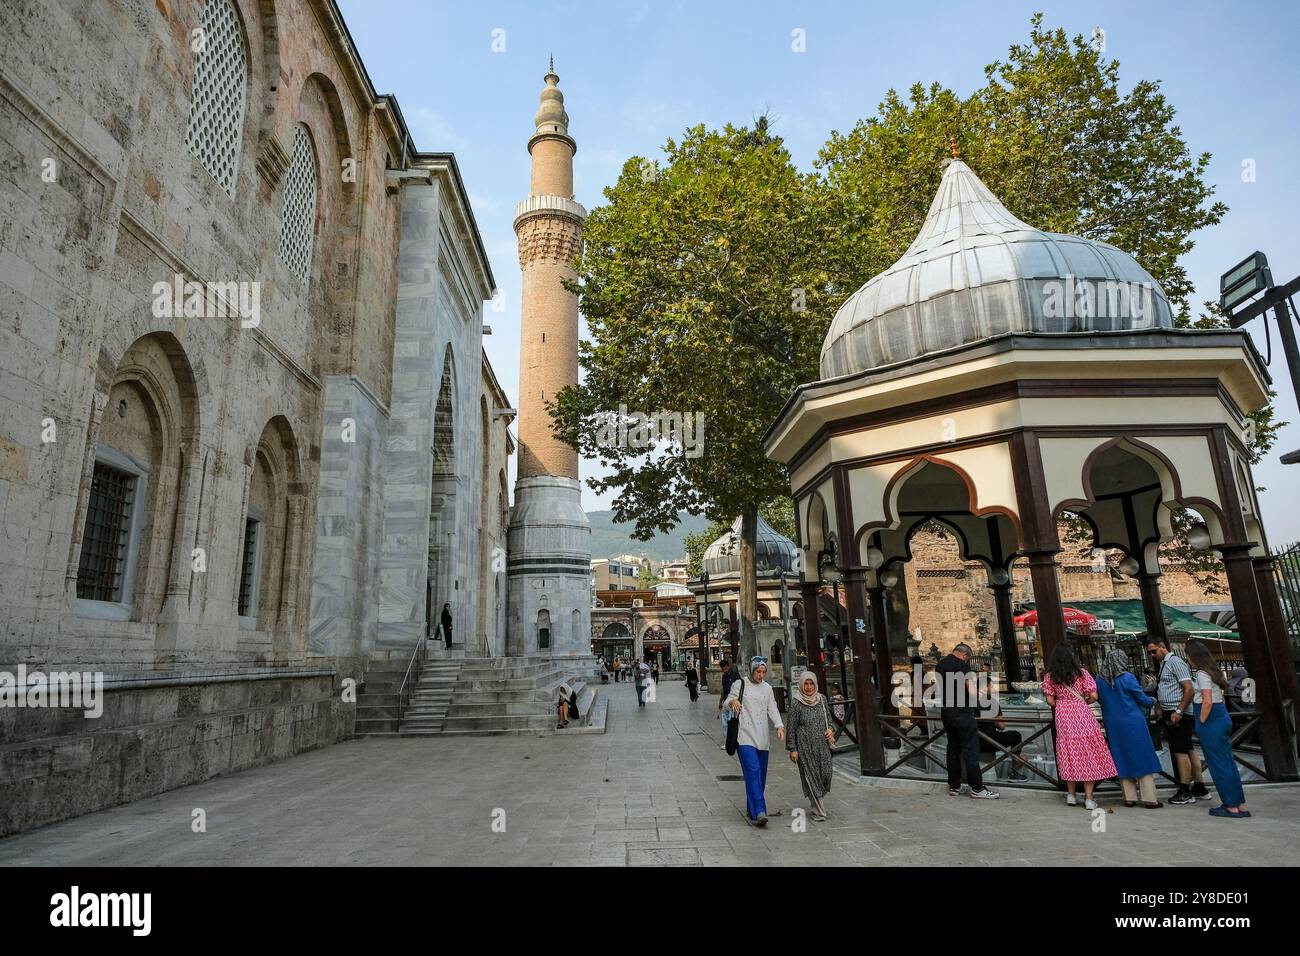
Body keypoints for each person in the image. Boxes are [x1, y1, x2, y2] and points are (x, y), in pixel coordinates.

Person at [1041, 644, 1116, 810]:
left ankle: (1071, 795)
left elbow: (1049, 701)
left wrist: (1062, 702)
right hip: (1082, 713)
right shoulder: (1082, 673)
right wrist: (1082, 702)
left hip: (1063, 715)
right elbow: (1094, 696)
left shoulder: (1050, 676)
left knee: (1069, 752)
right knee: (1087, 752)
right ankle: (1089, 798)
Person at [1186, 641, 1250, 819]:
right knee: (1228, 762)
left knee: (1218, 765)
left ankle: (1230, 805)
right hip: (1221, 716)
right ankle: (1239, 803)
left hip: (1210, 718)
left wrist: (1201, 722)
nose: (1188, 659)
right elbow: (1219, 698)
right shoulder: (1216, 672)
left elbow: (1206, 701)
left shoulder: (1201, 674)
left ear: (1195, 657)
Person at [1146, 638, 1211, 805]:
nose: (1152, 655)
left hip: (1178, 713)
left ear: (1163, 647)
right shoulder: (1165, 664)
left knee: (1179, 751)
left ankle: (1184, 789)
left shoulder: (1175, 662)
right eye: (1149, 653)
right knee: (1188, 749)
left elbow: (1188, 688)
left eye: (1154, 651)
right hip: (1172, 711)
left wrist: (1179, 710)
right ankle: (1199, 786)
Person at [1095, 650, 1163, 809]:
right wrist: (1153, 700)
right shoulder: (1127, 678)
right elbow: (1142, 700)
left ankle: (1129, 797)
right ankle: (1149, 798)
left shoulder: (1099, 680)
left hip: (1113, 724)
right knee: (1142, 756)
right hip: (1133, 722)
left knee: (1121, 756)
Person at [726, 657, 786, 826]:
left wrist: (779, 725)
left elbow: (772, 708)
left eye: (763, 672)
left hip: (762, 736)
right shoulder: (740, 685)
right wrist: (733, 701)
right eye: (758, 672)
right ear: (751, 671)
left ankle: (751, 807)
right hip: (744, 736)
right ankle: (760, 811)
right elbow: (726, 702)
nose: (761, 675)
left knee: (760, 776)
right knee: (753, 770)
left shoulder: (767, 688)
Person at [936, 644, 999, 799]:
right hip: (962, 712)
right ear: (964, 655)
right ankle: (977, 788)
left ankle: (954, 786)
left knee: (952, 748)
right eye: (968, 658)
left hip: (947, 711)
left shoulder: (940, 665)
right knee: (970, 749)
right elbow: (971, 692)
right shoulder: (963, 667)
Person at [786, 673, 836, 821]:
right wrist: (793, 749)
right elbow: (791, 727)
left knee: (826, 774)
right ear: (801, 685)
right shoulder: (796, 703)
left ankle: (817, 799)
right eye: (806, 684)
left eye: (811, 684)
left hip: (822, 745)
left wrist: (830, 730)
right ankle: (819, 811)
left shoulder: (822, 699)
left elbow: (830, 720)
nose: (808, 687)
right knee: (811, 776)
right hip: (805, 746)